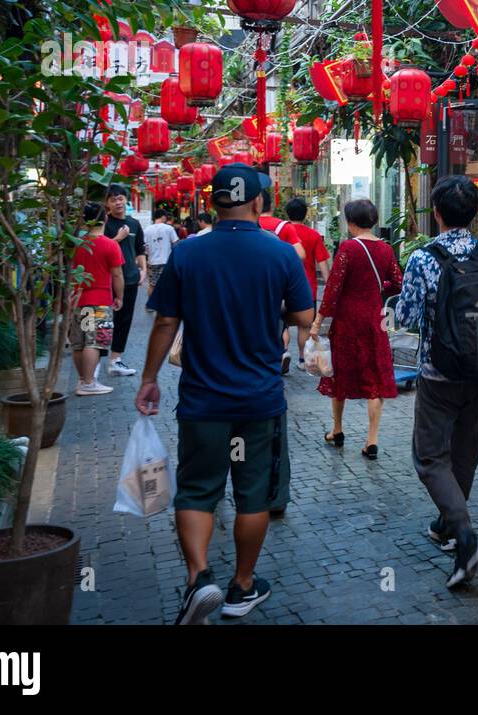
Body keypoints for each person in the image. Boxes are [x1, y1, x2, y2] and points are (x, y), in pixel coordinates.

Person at [136, 163, 314, 625]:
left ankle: (199, 579)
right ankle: (242, 585)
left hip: (202, 399)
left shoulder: (189, 254)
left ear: (212, 202)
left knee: (196, 490)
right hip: (260, 399)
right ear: (259, 202)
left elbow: (166, 321)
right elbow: (304, 316)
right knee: (254, 495)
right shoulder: (279, 254)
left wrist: (149, 377)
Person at [394, 175, 478, 589]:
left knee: (429, 456)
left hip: (437, 371)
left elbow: (406, 317)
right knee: (464, 449)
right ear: (475, 214)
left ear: (437, 213)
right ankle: (447, 525)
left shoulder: (424, 259)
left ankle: (465, 536)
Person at [310, 198, 401, 459]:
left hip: (347, 320)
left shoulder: (349, 248)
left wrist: (318, 321)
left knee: (338, 372)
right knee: (374, 377)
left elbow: (334, 288)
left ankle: (337, 429)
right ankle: (372, 439)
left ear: (350, 223)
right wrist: (376, 289)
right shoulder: (385, 249)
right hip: (375, 319)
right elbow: (397, 282)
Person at [69, 202, 124, 396]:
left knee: (80, 342)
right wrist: (120, 297)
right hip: (99, 299)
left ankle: (83, 379)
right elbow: (117, 274)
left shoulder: (76, 244)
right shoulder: (110, 245)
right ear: (106, 218)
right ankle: (89, 382)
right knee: (93, 342)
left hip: (78, 298)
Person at [256, 182, 307, 375]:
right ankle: (281, 351)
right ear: (271, 206)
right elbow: (300, 254)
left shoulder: (246, 227)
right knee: (279, 319)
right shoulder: (283, 226)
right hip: (277, 284)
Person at [103, 185, 146, 376]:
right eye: (113, 200)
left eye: (120, 198)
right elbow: (99, 248)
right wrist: (118, 238)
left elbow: (139, 249)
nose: (118, 203)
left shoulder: (134, 224)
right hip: (107, 279)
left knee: (124, 320)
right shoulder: (104, 223)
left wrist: (143, 269)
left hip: (129, 278)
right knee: (103, 320)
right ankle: (94, 360)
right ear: (107, 204)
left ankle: (115, 359)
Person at [287, 197, 332, 369]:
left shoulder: (282, 232)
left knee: (281, 324)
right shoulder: (313, 235)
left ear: (287, 213)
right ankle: (301, 359)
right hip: (306, 288)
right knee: (304, 325)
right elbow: (322, 263)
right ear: (305, 215)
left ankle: (283, 351)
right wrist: (329, 285)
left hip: (283, 285)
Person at [143, 210, 179, 295]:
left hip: (152, 262)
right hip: (167, 261)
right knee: (168, 285)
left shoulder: (147, 230)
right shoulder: (169, 228)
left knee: (152, 285)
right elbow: (176, 244)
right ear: (163, 217)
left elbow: (144, 248)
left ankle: (151, 305)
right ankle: (165, 305)